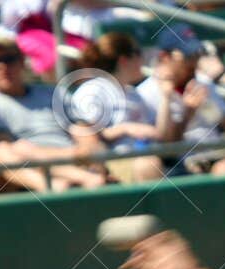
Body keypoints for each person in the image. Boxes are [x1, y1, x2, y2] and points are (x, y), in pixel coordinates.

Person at [0, 34, 104, 191]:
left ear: (22, 61)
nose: (2, 67)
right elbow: (11, 151)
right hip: (31, 176)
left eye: (9, 59)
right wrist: (73, 155)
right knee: (17, 150)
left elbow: (85, 134)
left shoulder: (53, 93)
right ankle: (66, 186)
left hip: (76, 163)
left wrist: (88, 156)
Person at [66, 31, 168, 183]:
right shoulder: (93, 90)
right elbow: (86, 134)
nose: (142, 59)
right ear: (124, 60)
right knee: (149, 165)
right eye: (138, 53)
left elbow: (159, 133)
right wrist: (125, 128)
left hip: (149, 155)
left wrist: (167, 97)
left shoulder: (134, 93)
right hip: (114, 160)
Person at [136, 46, 225, 175]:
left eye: (196, 54)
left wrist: (207, 104)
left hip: (215, 155)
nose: (194, 61)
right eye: (187, 56)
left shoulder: (203, 82)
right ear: (165, 58)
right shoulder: (145, 92)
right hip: (180, 164)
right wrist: (186, 112)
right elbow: (168, 147)